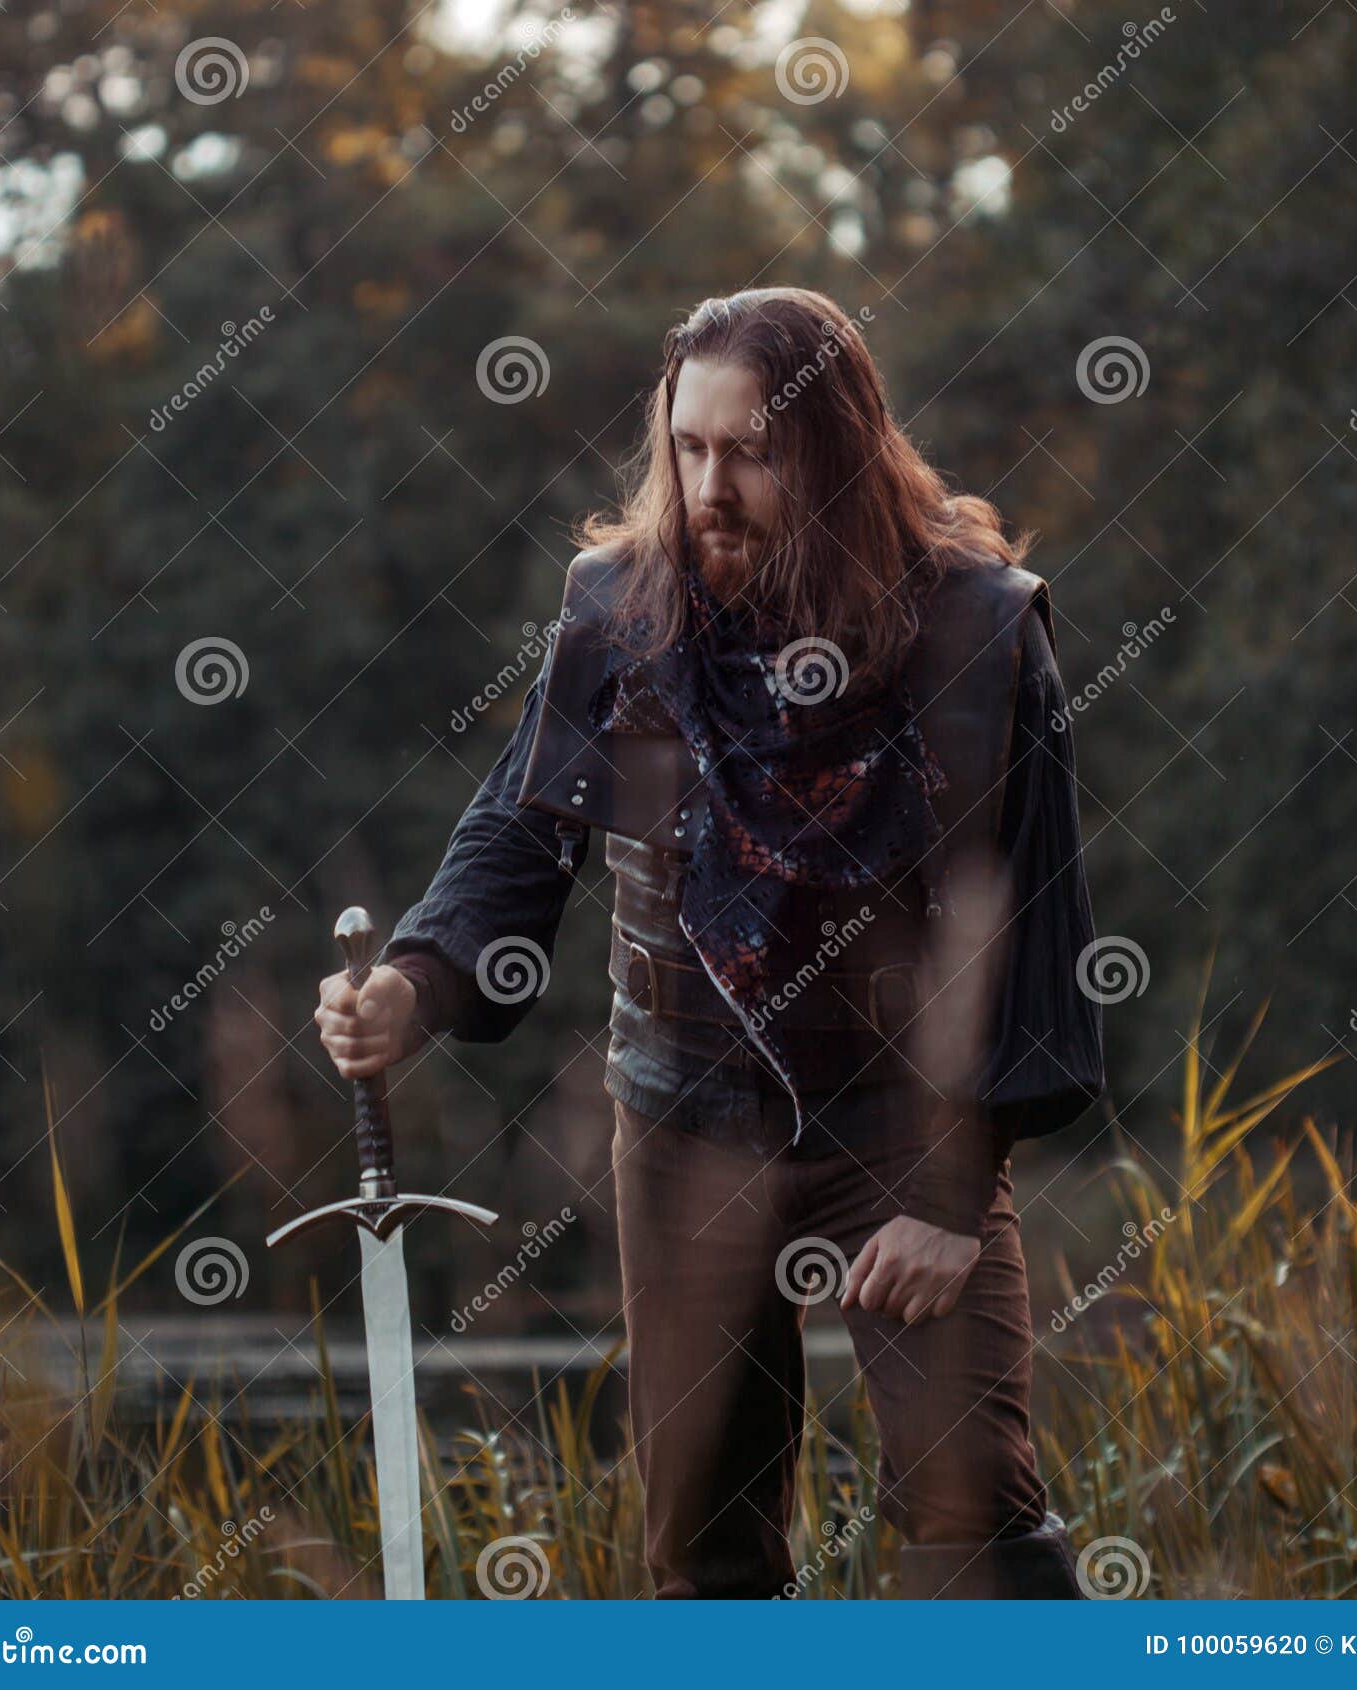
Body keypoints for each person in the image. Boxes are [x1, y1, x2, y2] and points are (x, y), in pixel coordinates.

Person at [315, 286, 1105, 1599]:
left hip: (905, 1128)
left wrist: (953, 1196)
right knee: (703, 1558)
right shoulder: (618, 610)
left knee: (977, 1526)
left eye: (751, 452)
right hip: (685, 1125)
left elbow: (1032, 916)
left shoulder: (979, 631)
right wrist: (415, 983)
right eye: (689, 448)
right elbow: (524, 828)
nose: (712, 487)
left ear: (836, 449)